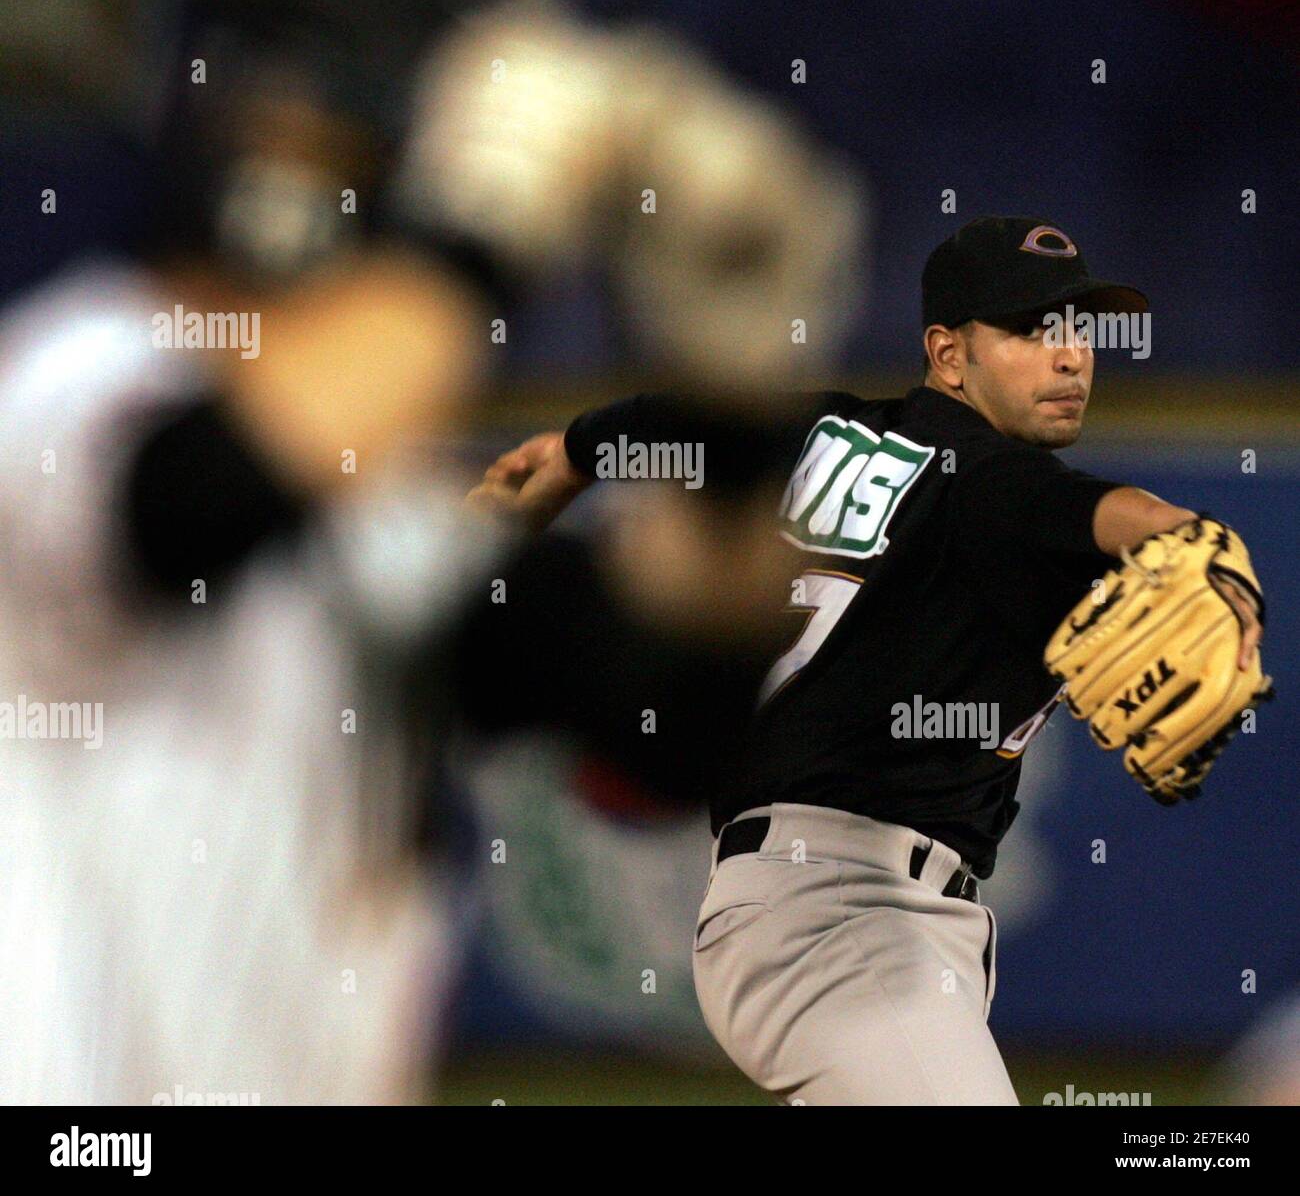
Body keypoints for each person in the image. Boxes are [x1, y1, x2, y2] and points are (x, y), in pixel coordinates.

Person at [466, 215, 1265, 1105]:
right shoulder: (1000, 485)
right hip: (846, 915)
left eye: (1080, 329)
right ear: (948, 353)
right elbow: (1137, 521)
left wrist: (562, 459)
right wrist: (1209, 555)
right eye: (1033, 330)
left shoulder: (814, 428)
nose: (1072, 356)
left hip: (819, 912)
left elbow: (653, 423)